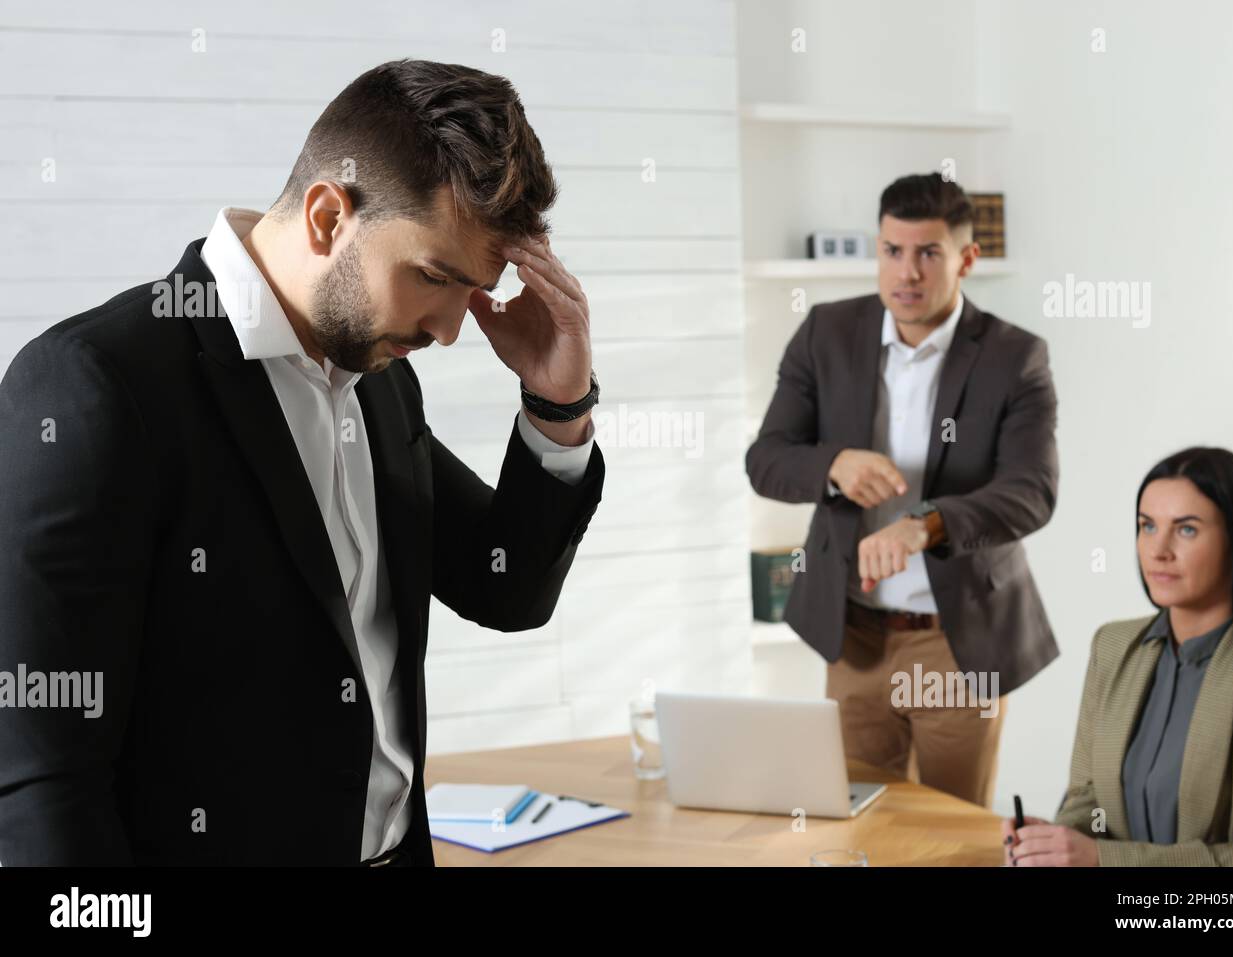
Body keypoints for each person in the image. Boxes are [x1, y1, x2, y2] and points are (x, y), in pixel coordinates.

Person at [0, 60, 605, 865]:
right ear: (328, 216)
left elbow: (506, 585)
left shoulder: (384, 385)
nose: (452, 329)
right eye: (434, 276)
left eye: (473, 290)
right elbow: (44, 778)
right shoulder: (96, 384)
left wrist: (557, 405)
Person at [745, 172, 1059, 808]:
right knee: (857, 826)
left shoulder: (1014, 357)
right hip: (853, 635)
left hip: (956, 640)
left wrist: (927, 524)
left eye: (928, 254)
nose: (906, 273)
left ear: (967, 259)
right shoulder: (826, 334)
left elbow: (1032, 491)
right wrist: (835, 464)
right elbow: (766, 460)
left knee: (951, 836)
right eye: (892, 251)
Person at [1005, 447, 1233, 866]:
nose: (1158, 549)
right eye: (1147, 526)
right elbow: (1089, 800)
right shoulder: (1111, 646)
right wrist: (1054, 841)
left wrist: (1102, 859)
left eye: (1187, 530)